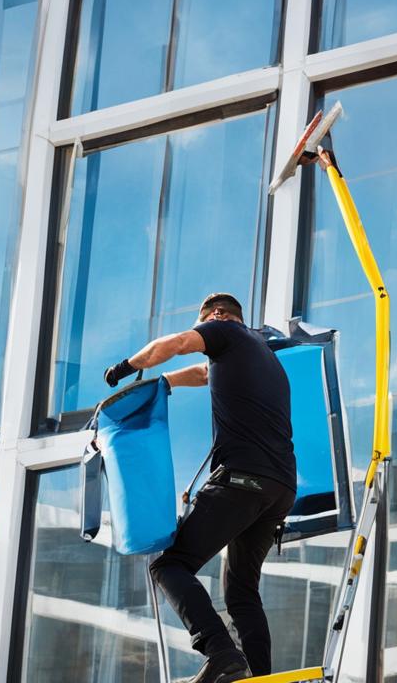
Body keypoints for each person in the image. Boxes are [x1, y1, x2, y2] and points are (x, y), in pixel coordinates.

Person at [103, 292, 296, 683]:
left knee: (169, 565)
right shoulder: (259, 351)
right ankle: (258, 676)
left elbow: (174, 345)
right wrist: (161, 386)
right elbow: (201, 374)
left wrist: (127, 367)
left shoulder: (221, 330)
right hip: (279, 488)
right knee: (241, 590)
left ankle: (220, 652)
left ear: (218, 316)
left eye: (201, 324)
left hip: (241, 480)